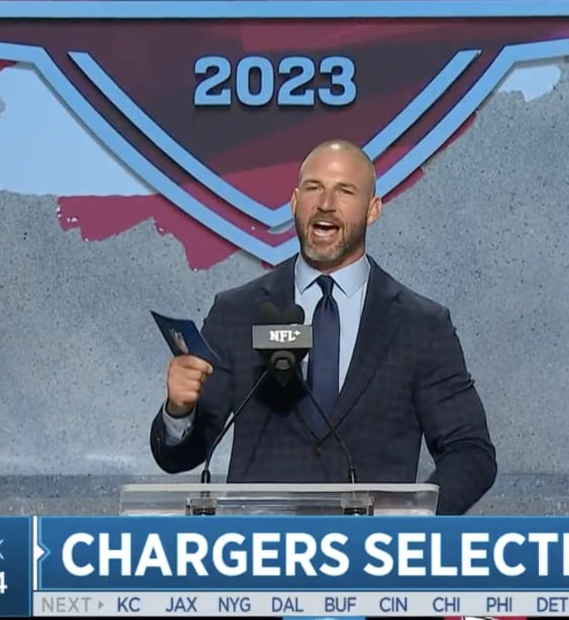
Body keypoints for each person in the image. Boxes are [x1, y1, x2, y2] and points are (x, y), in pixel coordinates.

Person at [148, 140, 497, 515]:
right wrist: (179, 411)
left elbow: (470, 452)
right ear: (295, 203)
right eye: (314, 188)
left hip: (371, 562)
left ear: (373, 209)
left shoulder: (421, 325)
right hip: (260, 559)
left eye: (345, 191)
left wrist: (412, 521)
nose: (326, 203)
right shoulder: (237, 312)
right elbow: (181, 456)